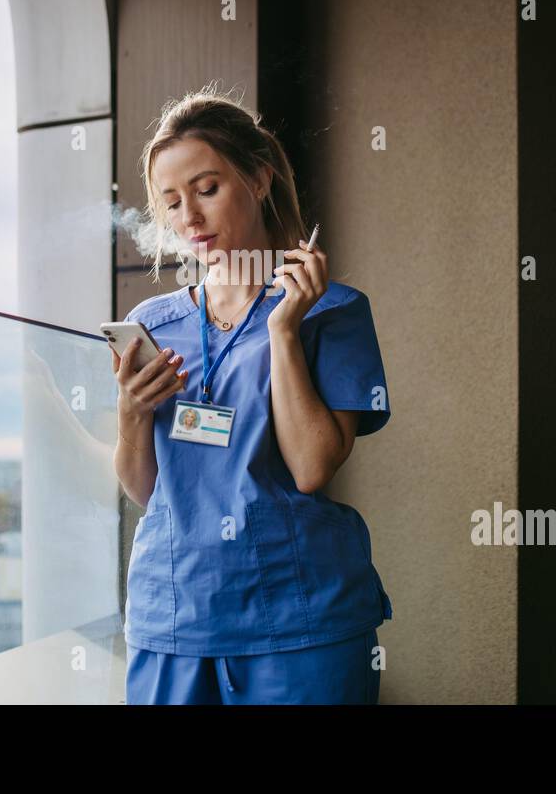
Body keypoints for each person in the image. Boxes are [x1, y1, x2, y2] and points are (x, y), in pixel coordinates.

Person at [111, 87, 393, 705]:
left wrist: (284, 330)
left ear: (259, 179)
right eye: (172, 201)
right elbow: (143, 489)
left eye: (207, 188)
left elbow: (314, 467)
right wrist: (133, 413)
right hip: (174, 612)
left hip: (299, 617)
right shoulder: (151, 324)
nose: (189, 216)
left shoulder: (333, 312)